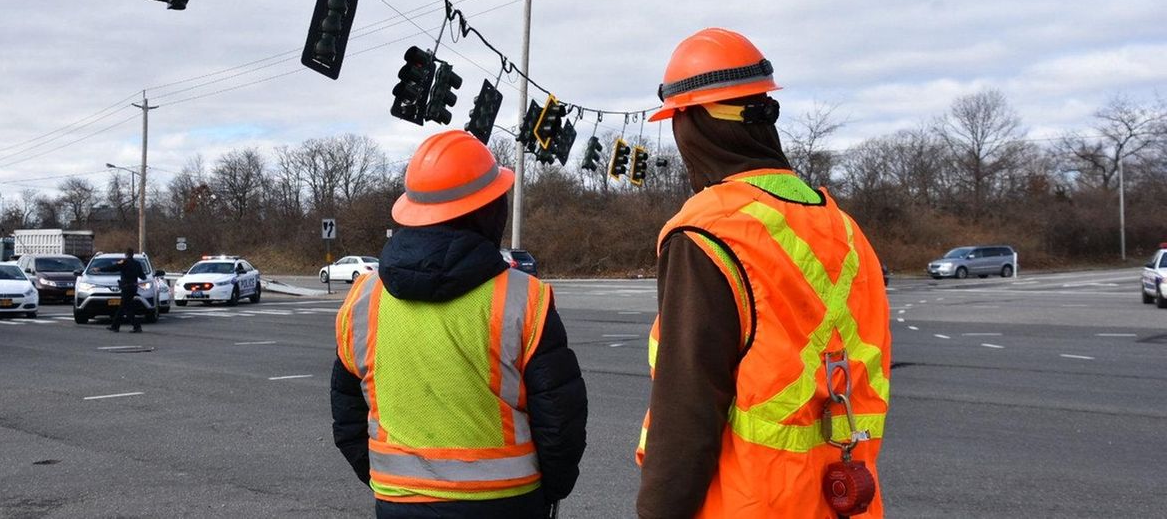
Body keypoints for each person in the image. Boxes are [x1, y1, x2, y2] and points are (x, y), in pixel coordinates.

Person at [635, 28, 892, 518]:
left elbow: (686, 411)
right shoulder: (843, 228)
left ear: (693, 124)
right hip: (842, 504)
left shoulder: (709, 230)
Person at [331, 130, 587, 519]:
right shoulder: (523, 298)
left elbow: (347, 410)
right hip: (507, 501)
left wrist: (390, 482)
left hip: (401, 502)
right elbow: (560, 418)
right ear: (489, 211)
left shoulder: (364, 298)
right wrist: (549, 491)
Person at [109, 248, 146, 334]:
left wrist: (100, 269)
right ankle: (115, 326)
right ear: (133, 254)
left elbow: (113, 268)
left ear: (126, 254)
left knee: (124, 308)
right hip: (133, 288)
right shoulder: (137, 263)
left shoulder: (124, 262)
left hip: (126, 288)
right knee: (125, 308)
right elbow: (143, 276)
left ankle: (135, 326)